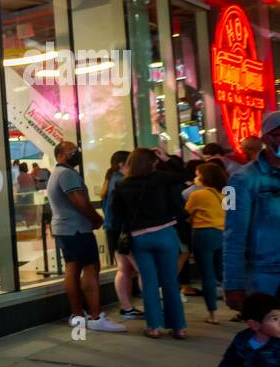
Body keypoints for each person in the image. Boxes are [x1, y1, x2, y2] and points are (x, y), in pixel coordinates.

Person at [109, 147, 189, 339]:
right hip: (165, 234)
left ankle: (153, 327)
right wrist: (167, 158)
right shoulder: (160, 178)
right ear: (153, 162)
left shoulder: (121, 185)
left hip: (139, 238)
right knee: (170, 281)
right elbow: (185, 175)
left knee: (149, 282)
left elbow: (116, 216)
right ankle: (179, 328)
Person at [46, 141, 125, 333]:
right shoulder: (67, 174)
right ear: (61, 154)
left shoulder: (58, 173)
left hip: (66, 229)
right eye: (73, 151)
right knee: (90, 268)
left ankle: (78, 315)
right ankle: (96, 316)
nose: (77, 153)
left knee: (72, 268)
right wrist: (96, 218)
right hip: (77, 229)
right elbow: (79, 202)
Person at [224, 111, 280, 312]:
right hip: (265, 275)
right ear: (265, 138)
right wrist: (233, 283)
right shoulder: (239, 179)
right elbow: (233, 234)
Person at [100, 151, 141, 320]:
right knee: (142, 269)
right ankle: (152, 308)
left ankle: (126, 307)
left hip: (113, 230)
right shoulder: (121, 182)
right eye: (131, 163)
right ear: (122, 164)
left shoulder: (111, 180)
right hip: (123, 231)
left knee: (124, 269)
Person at [186, 161, 228, 325]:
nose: (195, 178)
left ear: (205, 177)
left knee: (207, 275)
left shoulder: (197, 195)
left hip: (203, 234)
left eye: (197, 175)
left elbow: (186, 214)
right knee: (222, 273)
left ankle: (213, 314)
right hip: (222, 234)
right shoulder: (227, 194)